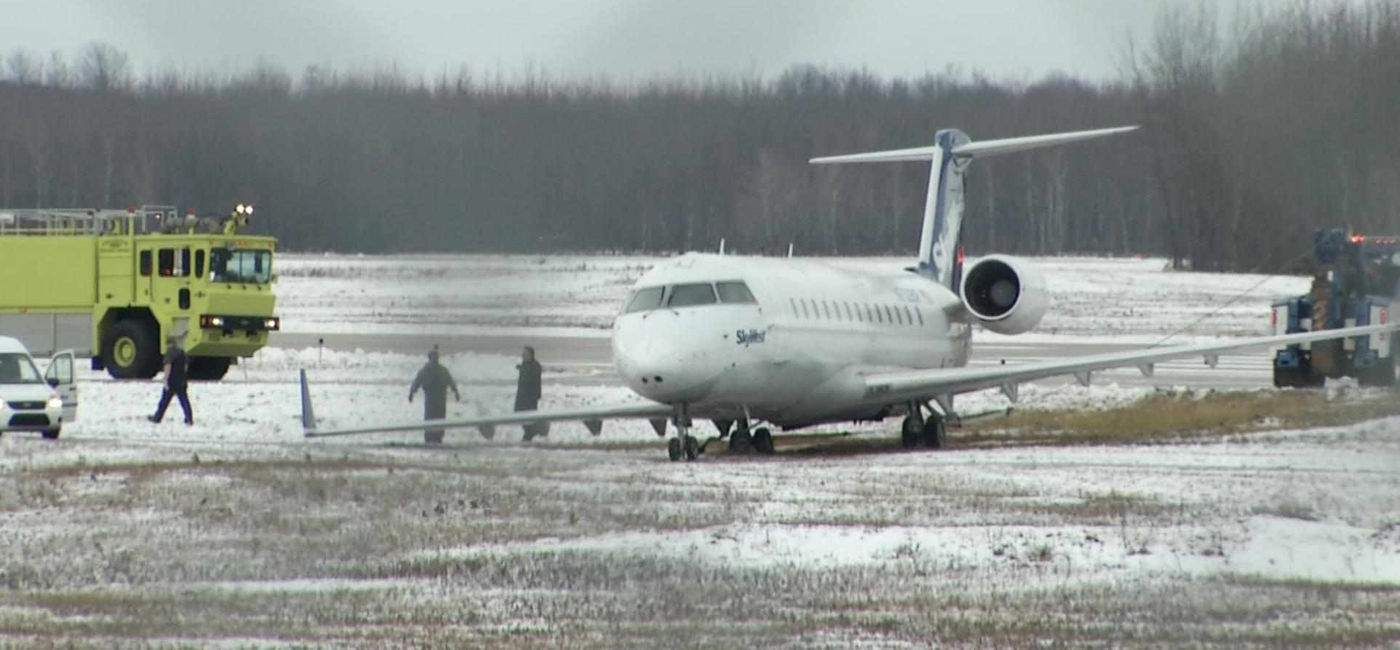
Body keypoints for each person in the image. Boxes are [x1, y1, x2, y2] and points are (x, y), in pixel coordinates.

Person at [409, 346, 459, 444]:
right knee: (430, 419)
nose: (435, 359)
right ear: (430, 358)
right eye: (434, 357)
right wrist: (412, 392)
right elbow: (417, 382)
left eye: (436, 357)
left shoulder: (442, 370)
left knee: (439, 419)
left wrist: (456, 391)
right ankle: (430, 438)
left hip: (440, 399)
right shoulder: (426, 371)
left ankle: (438, 437)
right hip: (431, 399)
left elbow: (450, 381)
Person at [148, 334, 192, 425]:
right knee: (184, 400)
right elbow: (186, 366)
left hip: (172, 380)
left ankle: (157, 417)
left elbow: (168, 366)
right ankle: (189, 418)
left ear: (168, 344)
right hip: (182, 380)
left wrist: (165, 379)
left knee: (164, 400)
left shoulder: (170, 353)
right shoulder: (182, 352)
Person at [515, 346, 546, 441]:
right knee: (518, 414)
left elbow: (532, 380)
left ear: (530, 355)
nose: (523, 356)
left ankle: (529, 434)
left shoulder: (535, 366)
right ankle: (530, 432)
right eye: (523, 354)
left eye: (525, 354)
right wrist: (521, 368)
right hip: (521, 396)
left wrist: (522, 369)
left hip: (530, 397)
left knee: (528, 416)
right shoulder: (524, 364)